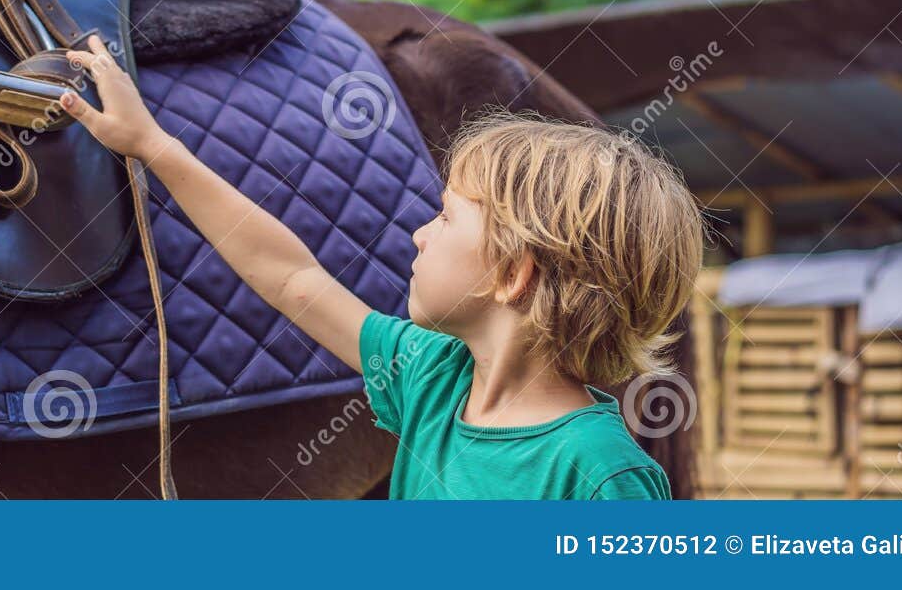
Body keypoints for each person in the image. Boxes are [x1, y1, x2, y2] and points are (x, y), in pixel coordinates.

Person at [60, 36, 704, 499]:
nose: (419, 235)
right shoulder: (432, 378)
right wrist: (151, 145)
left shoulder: (601, 475)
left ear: (514, 275)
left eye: (446, 217)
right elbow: (289, 276)